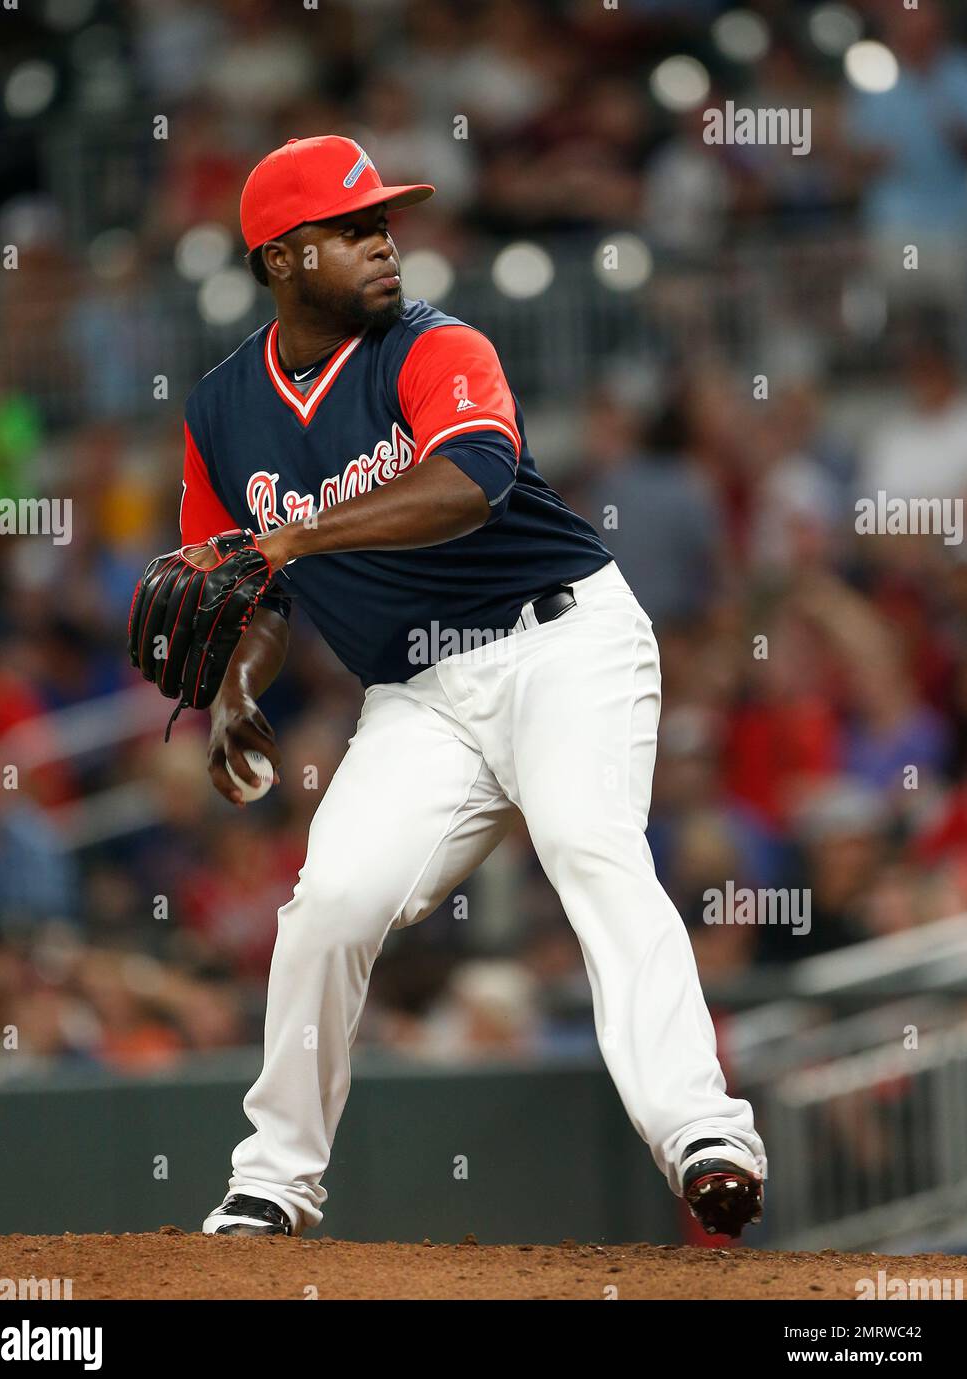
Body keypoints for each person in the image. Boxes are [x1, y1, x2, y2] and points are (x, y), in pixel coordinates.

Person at [178, 135, 765, 1239]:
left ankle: (702, 1129)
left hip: (560, 644)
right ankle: (272, 1179)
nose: (383, 244)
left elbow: (467, 484)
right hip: (415, 696)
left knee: (591, 848)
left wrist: (289, 541)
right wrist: (234, 693)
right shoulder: (219, 414)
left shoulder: (434, 345)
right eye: (352, 231)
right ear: (284, 258)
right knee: (328, 907)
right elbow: (243, 590)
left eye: (383, 222)